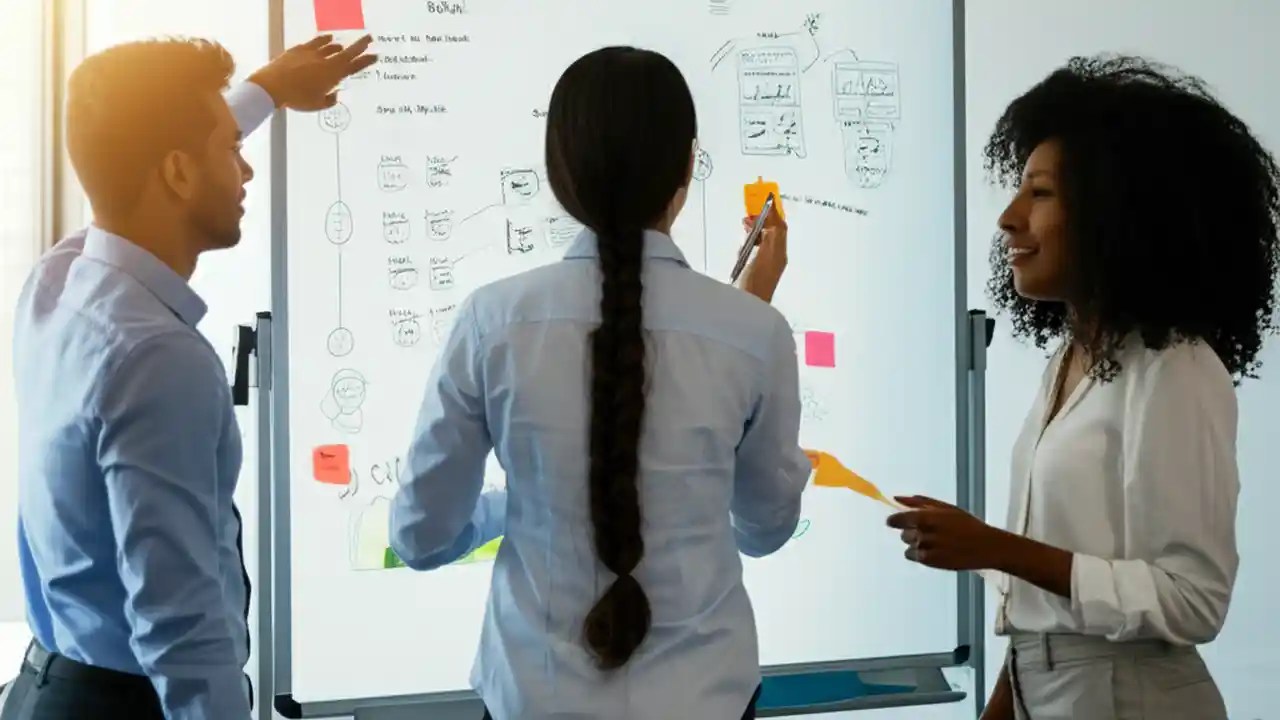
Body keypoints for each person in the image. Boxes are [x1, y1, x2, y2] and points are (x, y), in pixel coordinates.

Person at [387, 46, 810, 719]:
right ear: (688, 165)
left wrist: (517, 504)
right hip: (708, 699)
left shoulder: (493, 321)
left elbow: (421, 537)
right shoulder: (754, 333)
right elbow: (763, 529)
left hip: (533, 697)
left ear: (559, 172)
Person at [887, 54, 1279, 719]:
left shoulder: (1173, 369)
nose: (1009, 218)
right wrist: (1003, 703)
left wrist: (995, 548)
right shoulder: (1069, 364)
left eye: (1039, 193)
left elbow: (1193, 600)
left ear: (1116, 214)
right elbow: (1050, 625)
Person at [4, 35, 376, 720]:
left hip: (45, 689)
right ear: (177, 173)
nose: (246, 172)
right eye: (230, 151)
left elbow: (147, 150)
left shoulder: (58, 278)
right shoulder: (156, 359)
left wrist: (264, 90)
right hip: (129, 706)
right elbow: (182, 627)